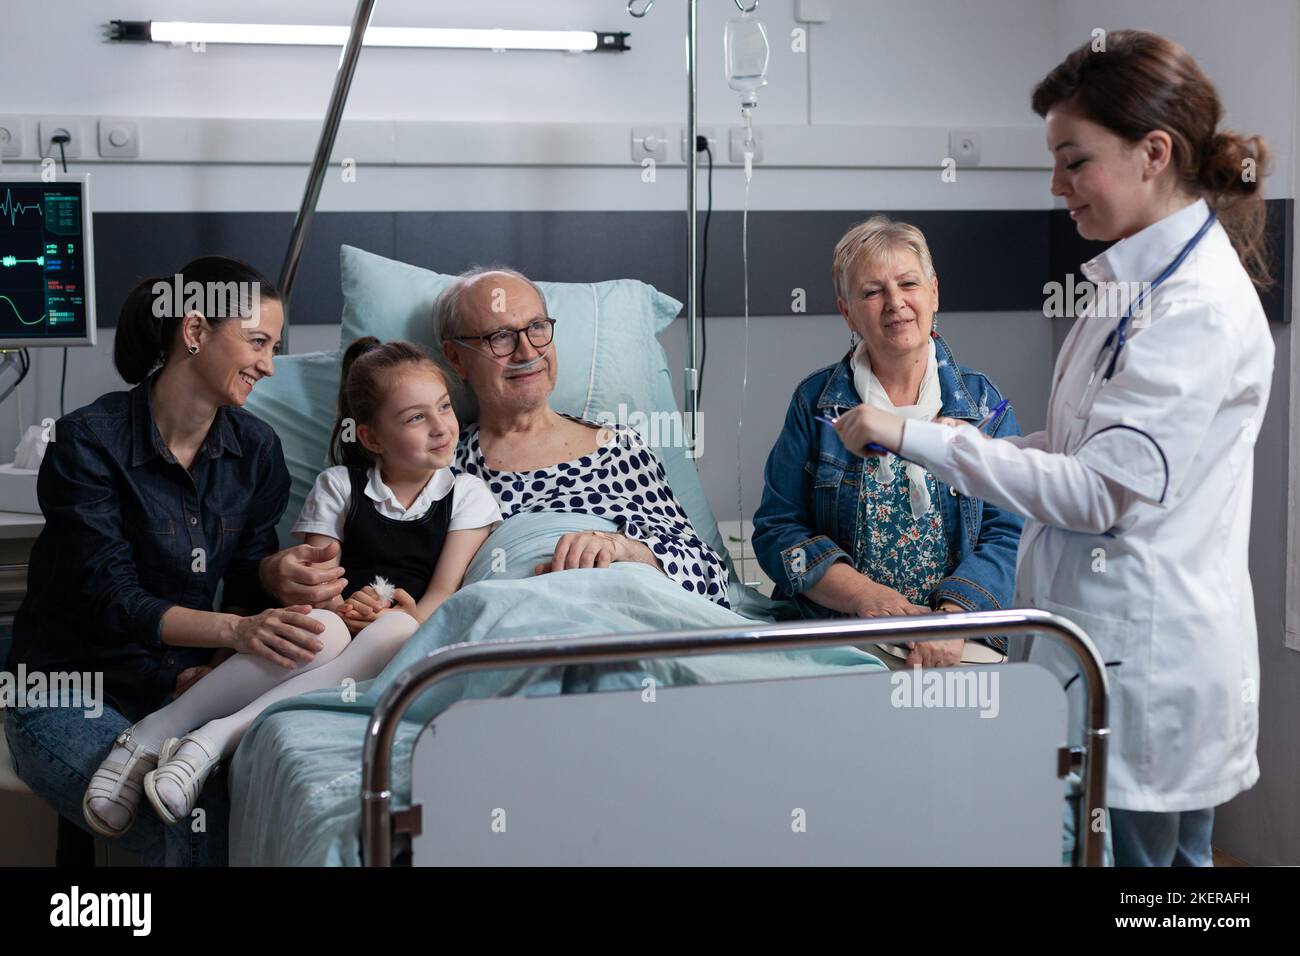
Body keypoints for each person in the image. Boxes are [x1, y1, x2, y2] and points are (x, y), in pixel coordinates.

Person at [830, 29, 1274, 866]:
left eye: (1075, 161)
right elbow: (1082, 449)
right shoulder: (1126, 282)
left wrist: (921, 438)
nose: (1055, 185)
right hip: (1094, 646)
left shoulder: (1196, 307)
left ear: (1153, 153)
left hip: (1148, 658)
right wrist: (974, 441)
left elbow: (1101, 493)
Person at [80, 337, 501, 833]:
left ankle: (213, 739)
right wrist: (346, 607)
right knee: (317, 625)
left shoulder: (468, 495)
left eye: (445, 408)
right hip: (339, 621)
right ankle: (158, 731)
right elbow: (318, 586)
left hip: (405, 633)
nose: (441, 428)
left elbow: (440, 599)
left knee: (396, 633)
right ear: (371, 437)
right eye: (415, 418)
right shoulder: (340, 486)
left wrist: (400, 614)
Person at [3, 257, 320, 865]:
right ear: (195, 331)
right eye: (257, 342)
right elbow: (112, 597)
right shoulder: (87, 443)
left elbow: (249, 577)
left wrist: (267, 584)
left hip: (187, 690)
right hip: (72, 685)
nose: (268, 365)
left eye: (273, 346)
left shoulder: (256, 450)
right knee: (169, 821)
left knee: (218, 807)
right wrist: (235, 630)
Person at [752, 216, 1024, 668]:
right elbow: (777, 531)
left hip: (963, 638)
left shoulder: (985, 405)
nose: (895, 303)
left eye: (908, 284)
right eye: (872, 291)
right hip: (841, 631)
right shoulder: (815, 404)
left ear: (934, 292)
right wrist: (865, 597)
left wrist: (950, 621)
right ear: (847, 312)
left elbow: (1011, 533)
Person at [435, 266, 731, 605]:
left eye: (536, 328)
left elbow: (710, 576)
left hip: (629, 616)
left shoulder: (619, 451)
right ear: (456, 358)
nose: (528, 353)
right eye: (500, 336)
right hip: (512, 630)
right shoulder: (443, 465)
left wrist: (622, 549)